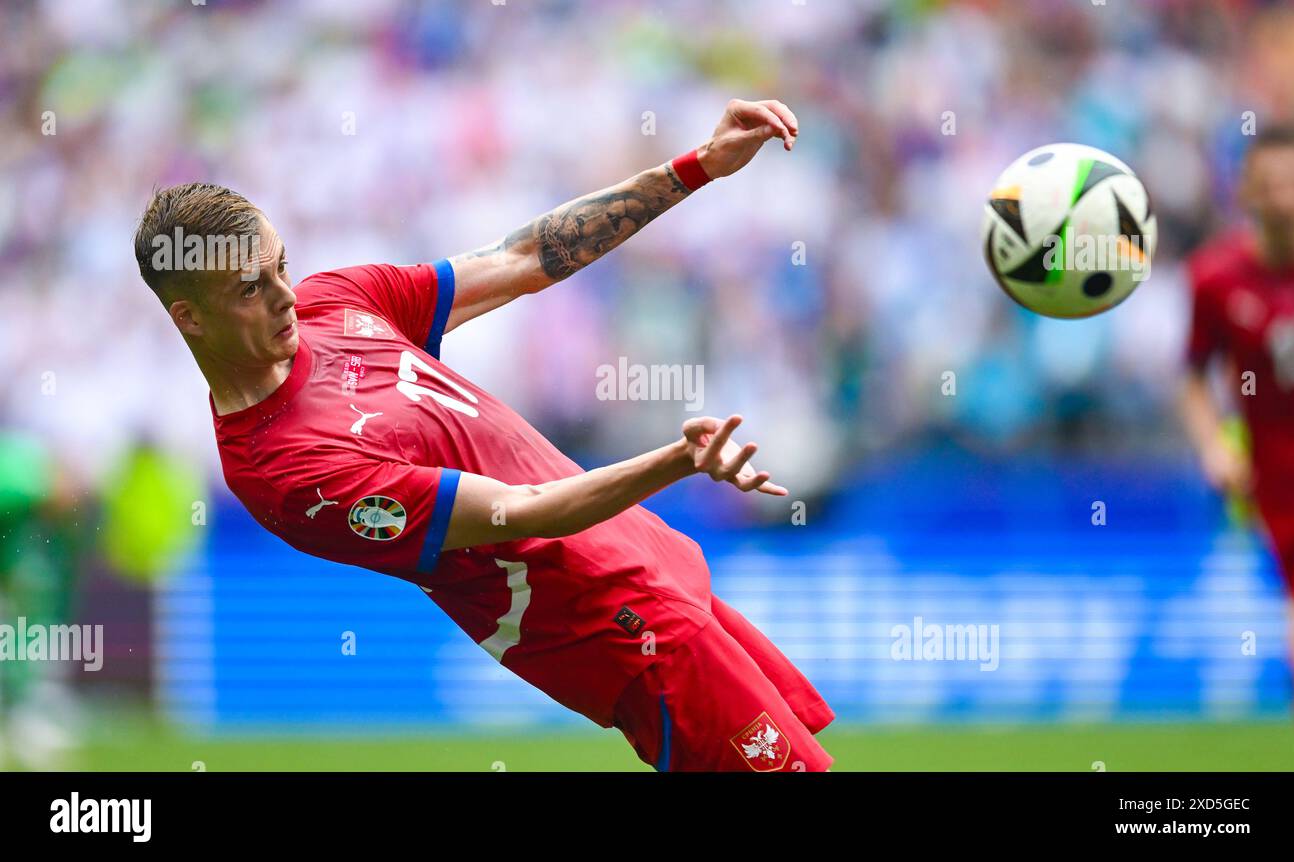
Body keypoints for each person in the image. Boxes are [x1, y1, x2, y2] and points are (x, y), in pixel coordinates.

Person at [134, 99, 835, 771]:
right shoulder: (285, 468)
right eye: (251, 289)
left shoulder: (332, 302)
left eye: (280, 265)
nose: (286, 294)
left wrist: (697, 166)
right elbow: (518, 512)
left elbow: (524, 258)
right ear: (190, 317)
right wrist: (680, 459)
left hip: (651, 557)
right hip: (612, 621)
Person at [1182, 125, 1294, 704]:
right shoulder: (1215, 279)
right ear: (1245, 192)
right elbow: (1192, 377)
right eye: (1267, 183)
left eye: (1292, 183)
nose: (1280, 195)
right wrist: (1213, 444)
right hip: (1278, 480)